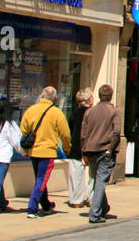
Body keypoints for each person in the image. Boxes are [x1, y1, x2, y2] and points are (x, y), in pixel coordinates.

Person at [20, 87, 70, 218]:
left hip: (33, 151)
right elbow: (65, 134)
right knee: (41, 180)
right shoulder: (56, 113)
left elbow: (23, 128)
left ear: (41, 96)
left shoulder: (31, 110)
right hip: (47, 152)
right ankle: (32, 207)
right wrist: (67, 148)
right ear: (54, 98)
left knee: (40, 179)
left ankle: (46, 204)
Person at [80, 84, 122, 224]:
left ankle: (103, 208)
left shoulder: (89, 112)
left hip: (91, 150)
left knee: (98, 181)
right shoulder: (114, 111)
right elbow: (116, 132)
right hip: (105, 151)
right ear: (110, 96)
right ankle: (95, 213)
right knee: (100, 182)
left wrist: (84, 152)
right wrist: (110, 149)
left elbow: (83, 134)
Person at [66, 88, 94, 209]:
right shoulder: (92, 113)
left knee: (75, 176)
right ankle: (92, 199)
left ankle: (76, 200)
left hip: (76, 147)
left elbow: (70, 130)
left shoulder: (75, 113)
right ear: (90, 99)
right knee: (93, 175)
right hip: (91, 147)